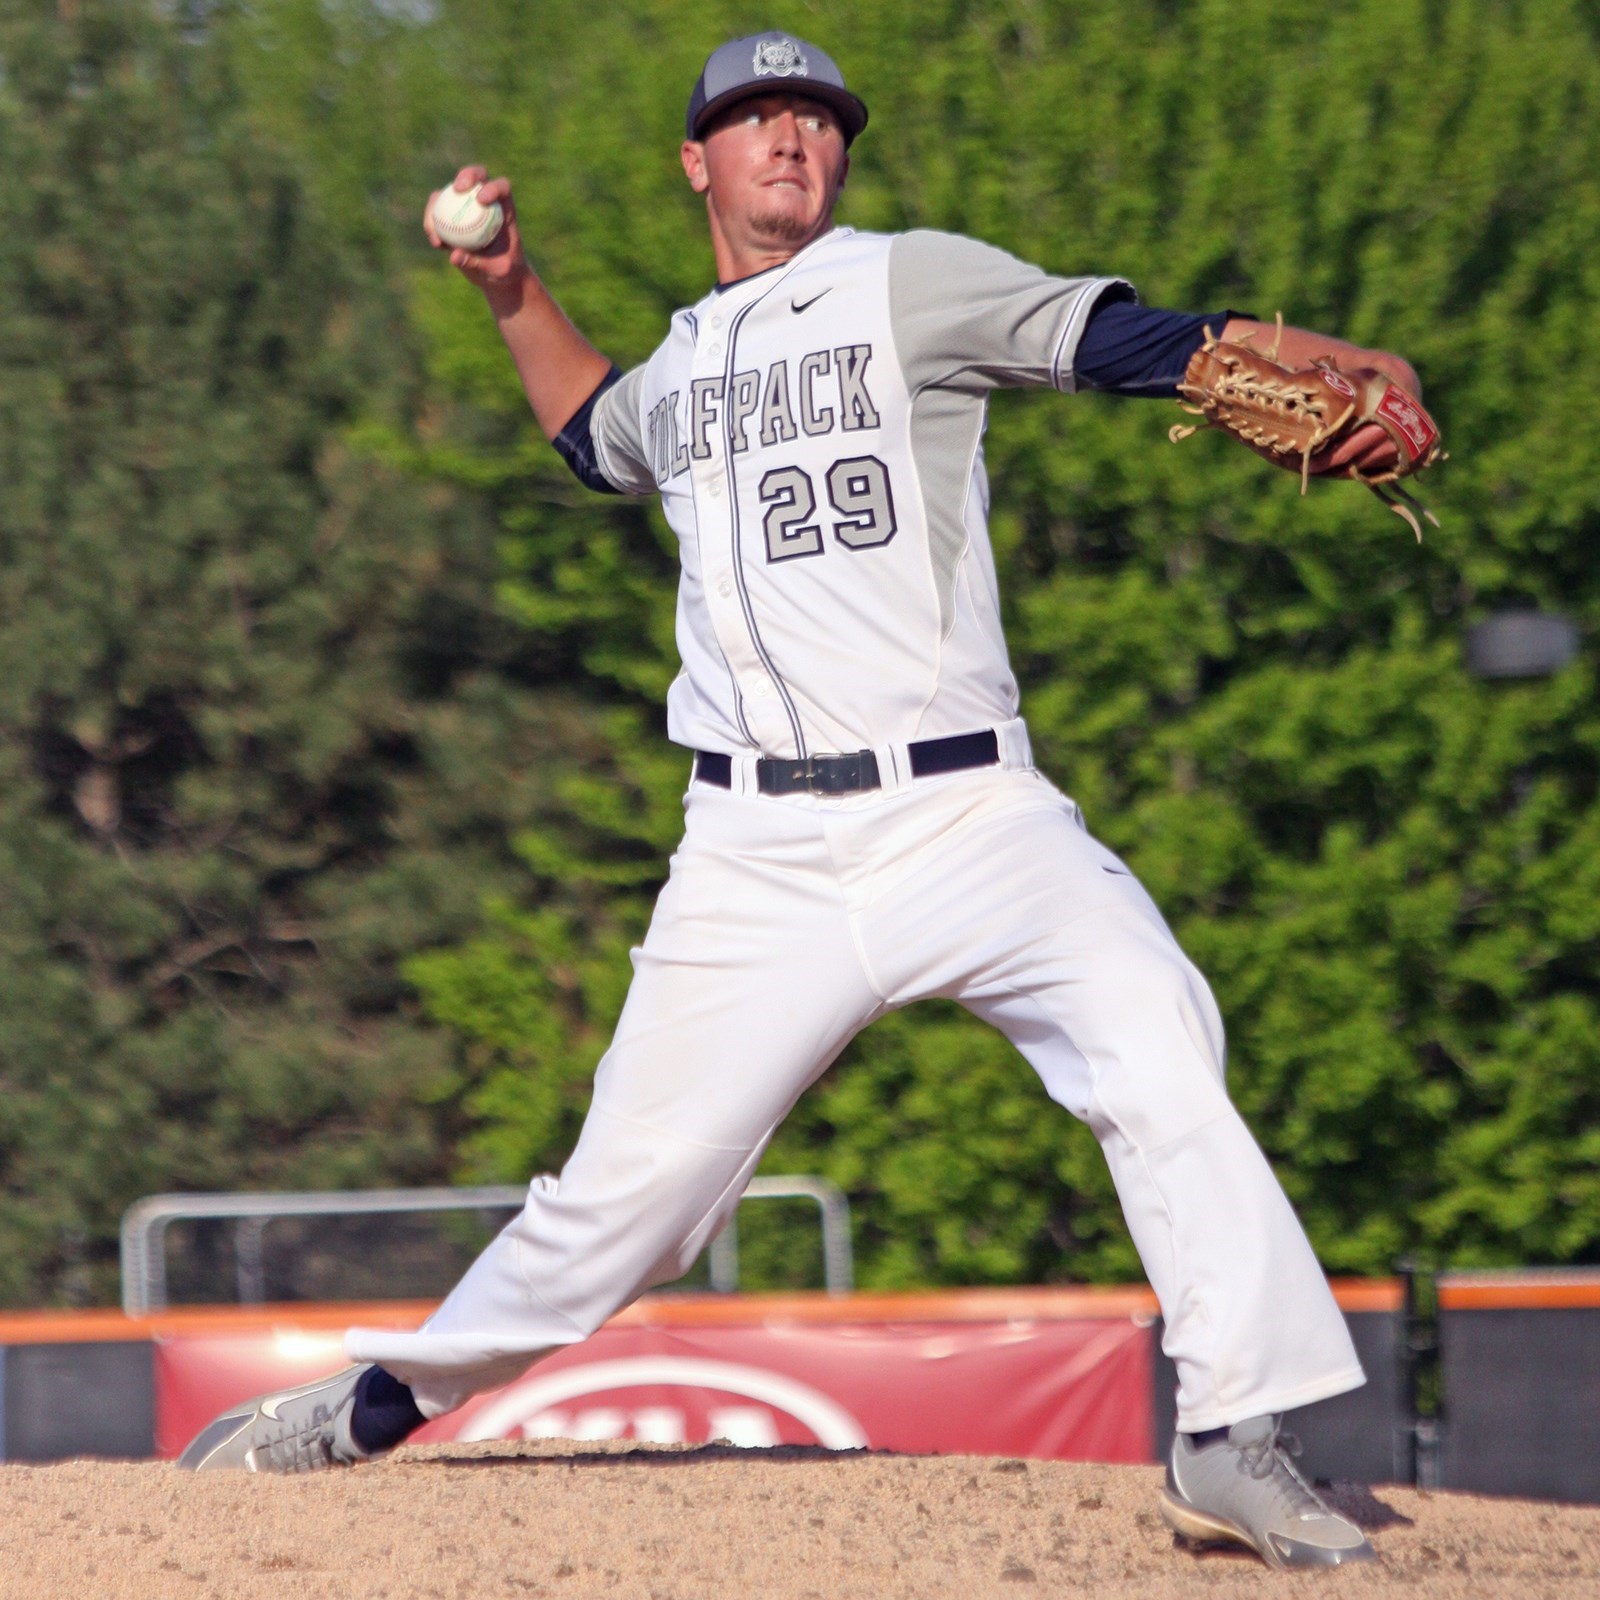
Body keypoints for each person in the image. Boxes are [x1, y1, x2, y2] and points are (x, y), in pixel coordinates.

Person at [181, 31, 1418, 1571]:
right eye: (755, 116)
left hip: (969, 818)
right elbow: (589, 436)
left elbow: (1123, 338)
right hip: (755, 853)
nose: (790, 134)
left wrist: (1306, 359)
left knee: (1157, 1034)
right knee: (622, 1213)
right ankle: (377, 1402)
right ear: (698, 162)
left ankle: (1234, 1435)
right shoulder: (687, 366)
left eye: (816, 117)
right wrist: (509, 291)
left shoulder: (910, 282)